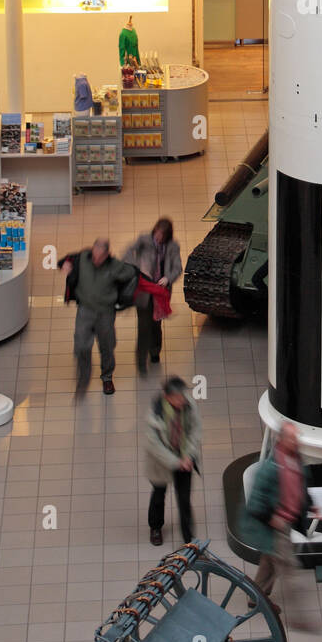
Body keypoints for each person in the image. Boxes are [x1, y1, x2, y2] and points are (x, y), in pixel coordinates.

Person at [238, 422, 317, 627]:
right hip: (274, 529)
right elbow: (256, 503)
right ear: (282, 440)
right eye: (292, 438)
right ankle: (299, 619)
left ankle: (255, 595)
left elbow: (300, 486)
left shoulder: (295, 459)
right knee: (290, 570)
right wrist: (273, 518)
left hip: (283, 525)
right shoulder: (269, 469)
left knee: (269, 564)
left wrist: (311, 506)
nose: (296, 440)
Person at [59, 239, 139, 396]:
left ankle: (107, 377)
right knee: (81, 345)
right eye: (94, 256)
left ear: (107, 255)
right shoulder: (82, 258)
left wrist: (124, 298)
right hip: (85, 311)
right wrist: (63, 265)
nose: (95, 260)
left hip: (105, 313)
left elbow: (132, 274)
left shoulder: (115, 266)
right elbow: (64, 260)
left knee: (107, 346)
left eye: (99, 257)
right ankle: (83, 377)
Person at [145, 376, 202, 547]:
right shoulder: (154, 415)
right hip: (162, 463)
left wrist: (189, 455)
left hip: (185, 459)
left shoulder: (189, 406)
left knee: (184, 499)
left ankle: (188, 537)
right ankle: (155, 527)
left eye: (183, 396)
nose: (182, 400)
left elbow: (195, 431)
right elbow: (154, 445)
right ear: (167, 397)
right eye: (178, 398)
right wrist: (176, 462)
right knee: (158, 495)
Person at [124, 217, 182, 375]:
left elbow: (177, 267)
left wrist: (168, 277)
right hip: (143, 290)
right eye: (156, 233)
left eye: (161, 235)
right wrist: (136, 268)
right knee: (143, 326)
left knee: (156, 325)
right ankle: (141, 361)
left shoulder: (172, 246)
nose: (157, 237)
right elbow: (128, 252)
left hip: (160, 292)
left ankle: (155, 351)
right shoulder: (144, 240)